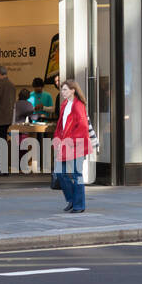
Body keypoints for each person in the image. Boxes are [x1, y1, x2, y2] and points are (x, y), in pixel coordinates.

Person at [52, 79, 92, 213]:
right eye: (62, 89)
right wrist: (57, 139)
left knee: (77, 175)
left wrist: (70, 142)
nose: (62, 92)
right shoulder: (64, 104)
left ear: (73, 90)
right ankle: (72, 200)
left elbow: (82, 127)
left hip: (76, 144)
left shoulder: (78, 105)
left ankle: (79, 205)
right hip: (65, 144)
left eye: (65, 89)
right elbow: (60, 125)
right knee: (60, 172)